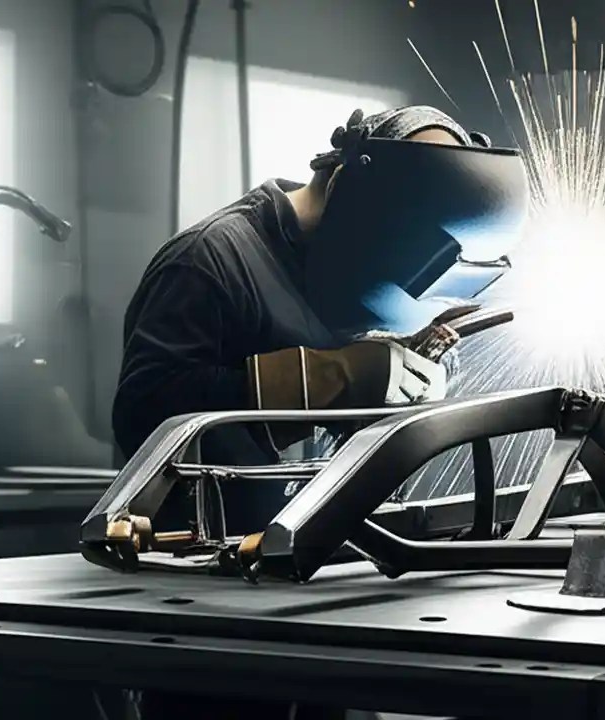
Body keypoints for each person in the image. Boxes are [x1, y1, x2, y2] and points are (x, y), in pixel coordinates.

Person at [110, 105, 528, 720]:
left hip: (315, 581)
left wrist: (407, 377)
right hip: (204, 601)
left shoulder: (345, 265)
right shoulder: (211, 260)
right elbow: (144, 411)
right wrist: (327, 378)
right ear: (345, 189)